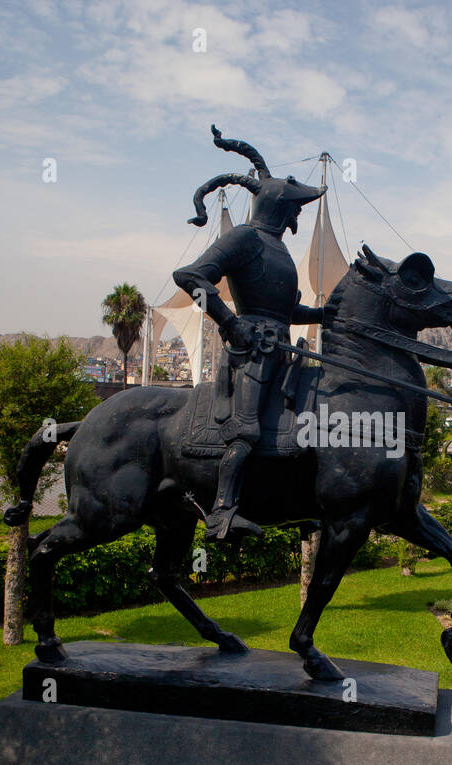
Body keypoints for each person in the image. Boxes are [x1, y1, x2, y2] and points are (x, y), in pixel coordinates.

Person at [173, 126, 326, 541]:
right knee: (246, 428)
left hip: (280, 349)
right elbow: (190, 277)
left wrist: (323, 314)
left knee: (293, 428)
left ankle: (291, 501)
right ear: (279, 207)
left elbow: (287, 309)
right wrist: (229, 320)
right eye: (295, 209)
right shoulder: (244, 238)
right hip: (251, 353)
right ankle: (222, 513)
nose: (298, 215)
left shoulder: (278, 250)